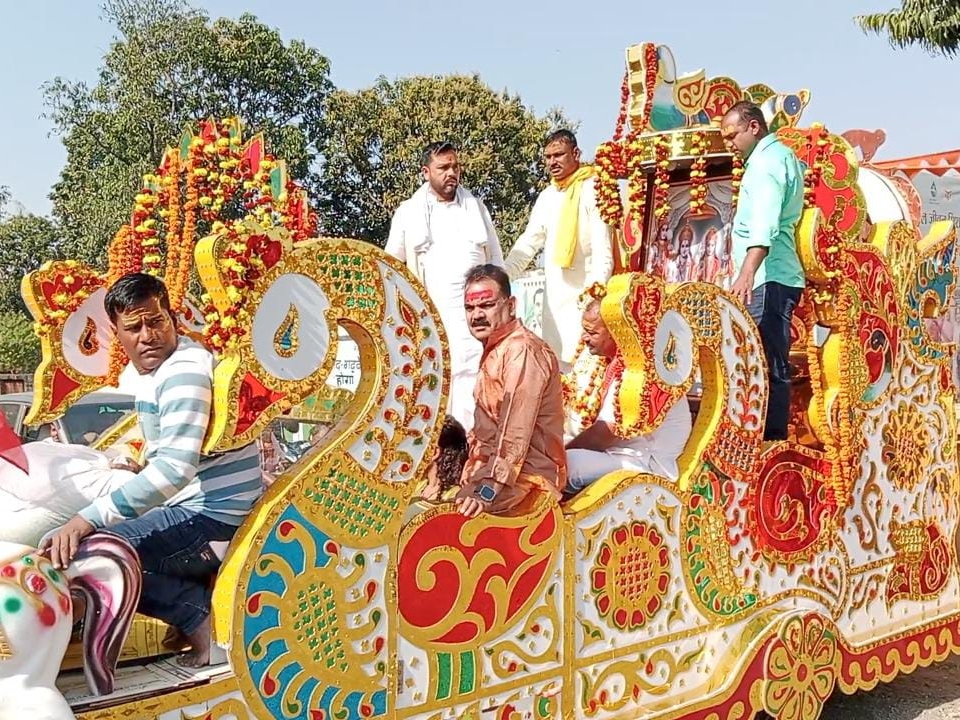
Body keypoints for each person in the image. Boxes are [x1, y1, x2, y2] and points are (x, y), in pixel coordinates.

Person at [41, 273, 263, 667]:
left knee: (91, 553)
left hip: (212, 521)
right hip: (198, 511)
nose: (148, 335)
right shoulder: (158, 372)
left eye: (156, 321)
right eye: (134, 327)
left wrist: (84, 520)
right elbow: (170, 454)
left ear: (173, 319)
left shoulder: (183, 372)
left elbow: (175, 471)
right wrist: (133, 462)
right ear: (117, 334)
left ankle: (196, 617)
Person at [386, 141, 504, 432]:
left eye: (455, 166)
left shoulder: (475, 207)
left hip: (475, 316)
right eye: (443, 168)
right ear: (426, 172)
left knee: (473, 377)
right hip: (431, 316)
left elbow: (496, 261)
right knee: (434, 382)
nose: (451, 173)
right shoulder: (408, 212)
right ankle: (440, 455)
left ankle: (473, 450)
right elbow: (391, 266)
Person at [720, 101, 805, 441]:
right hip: (771, 276)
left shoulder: (767, 163)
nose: (729, 143)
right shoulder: (777, 157)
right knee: (759, 358)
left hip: (769, 277)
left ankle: (770, 440)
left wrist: (746, 274)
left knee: (765, 361)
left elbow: (765, 225)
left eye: (732, 135)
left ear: (753, 127)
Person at [456, 264, 567, 518]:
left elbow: (514, 431)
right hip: (492, 476)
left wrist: (487, 491)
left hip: (526, 481)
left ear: (511, 305)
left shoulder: (522, 350)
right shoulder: (496, 348)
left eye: (487, 305)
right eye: (470, 308)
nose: (477, 315)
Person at [504, 130, 614, 368]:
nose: (552, 162)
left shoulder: (595, 188)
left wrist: (594, 299)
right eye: (548, 156)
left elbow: (602, 250)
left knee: (587, 374)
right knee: (558, 375)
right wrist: (502, 278)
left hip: (586, 302)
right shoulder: (547, 197)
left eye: (559, 155)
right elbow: (528, 242)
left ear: (576, 153)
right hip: (555, 304)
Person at [564, 301, 691, 494]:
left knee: (566, 464)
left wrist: (557, 454)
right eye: (585, 331)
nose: (585, 338)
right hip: (626, 454)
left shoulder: (638, 372)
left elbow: (602, 435)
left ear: (617, 333)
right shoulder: (622, 364)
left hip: (647, 464)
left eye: (592, 333)